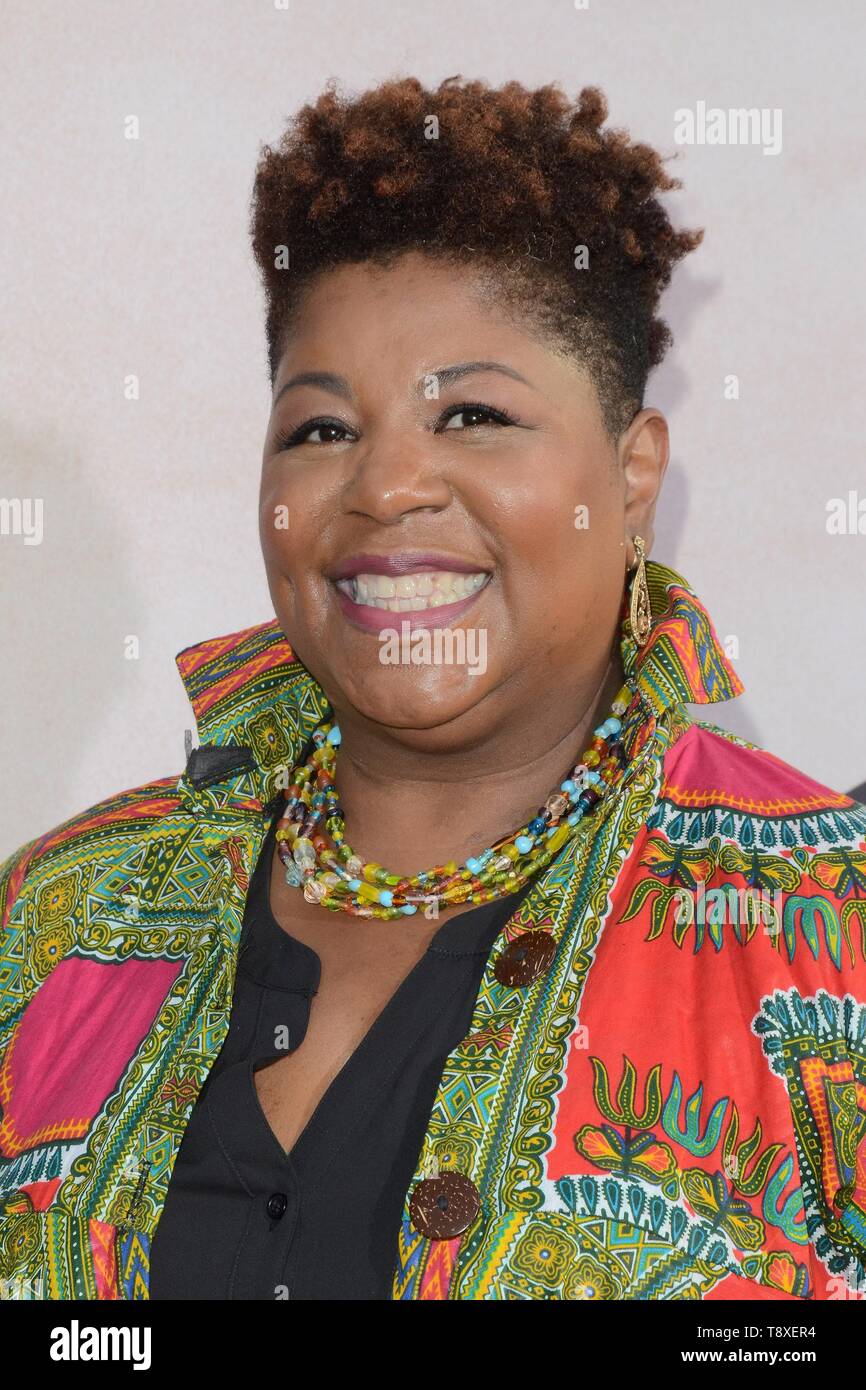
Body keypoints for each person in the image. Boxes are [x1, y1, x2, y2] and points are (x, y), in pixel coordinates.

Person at [1, 76, 864, 1303]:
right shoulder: (53, 917)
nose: (386, 486)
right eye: (320, 430)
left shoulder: (824, 928)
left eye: (471, 413)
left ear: (630, 474)